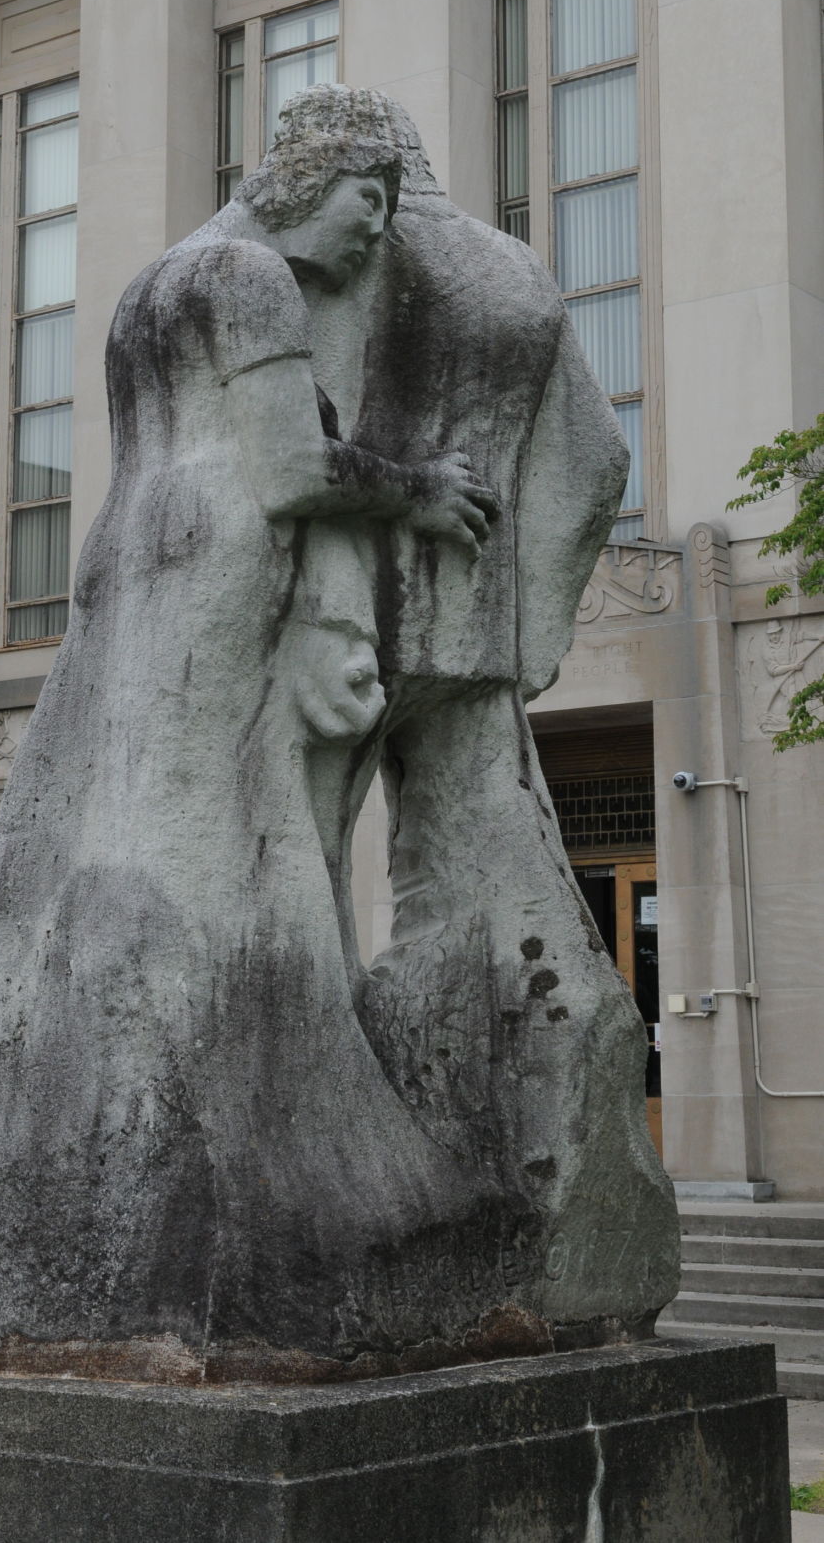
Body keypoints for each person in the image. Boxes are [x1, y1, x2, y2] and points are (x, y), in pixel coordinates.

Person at [0, 127, 520, 1379]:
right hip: (215, 569)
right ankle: (224, 1109)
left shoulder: (155, 285)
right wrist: (422, 486)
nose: (374, 232)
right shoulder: (250, 277)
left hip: (140, 560)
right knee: (217, 831)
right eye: (364, 204)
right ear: (301, 184)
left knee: (105, 821)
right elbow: (284, 462)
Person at [269, 86, 678, 1329]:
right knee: (498, 892)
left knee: (304, 874)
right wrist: (527, 627)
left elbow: (288, 430)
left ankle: (311, 1155)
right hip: (476, 628)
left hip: (348, 611)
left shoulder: (345, 256)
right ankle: (556, 1209)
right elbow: (598, 463)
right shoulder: (516, 272)